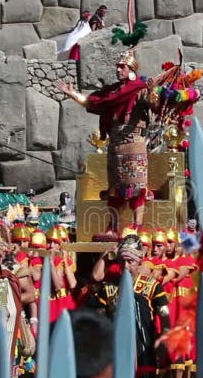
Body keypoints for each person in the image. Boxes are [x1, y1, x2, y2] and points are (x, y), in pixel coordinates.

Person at [58, 51, 151, 239]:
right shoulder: (113, 93)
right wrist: (73, 94)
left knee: (136, 187)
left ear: (131, 70)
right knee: (115, 188)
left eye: (122, 66)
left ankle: (137, 227)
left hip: (134, 144)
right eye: (117, 66)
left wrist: (155, 94)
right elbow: (94, 102)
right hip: (115, 146)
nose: (118, 69)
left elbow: (153, 103)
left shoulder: (140, 89)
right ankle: (113, 227)